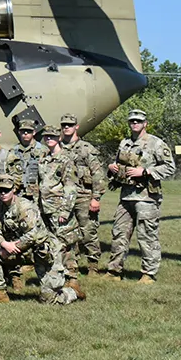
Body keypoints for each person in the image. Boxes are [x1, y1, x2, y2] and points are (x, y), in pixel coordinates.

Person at [0, 175, 83, 305]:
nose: (3, 194)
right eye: (0, 191)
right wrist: (4, 244)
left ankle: (72, 293)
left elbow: (33, 235)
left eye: (6, 190)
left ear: (13, 189)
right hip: (17, 250)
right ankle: (0, 293)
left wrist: (13, 247)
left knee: (49, 300)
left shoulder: (25, 207)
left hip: (42, 252)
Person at [106, 109, 176, 284]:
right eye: (132, 121)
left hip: (146, 197)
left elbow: (170, 167)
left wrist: (145, 171)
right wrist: (112, 168)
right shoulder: (125, 143)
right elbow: (120, 165)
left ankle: (148, 273)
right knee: (119, 233)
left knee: (146, 235)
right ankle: (114, 271)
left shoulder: (156, 143)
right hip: (126, 196)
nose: (135, 123)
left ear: (145, 123)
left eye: (138, 121)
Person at [61, 112, 107, 273]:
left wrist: (96, 198)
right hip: (64, 198)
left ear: (76, 127)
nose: (66, 127)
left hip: (83, 196)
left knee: (88, 231)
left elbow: (98, 175)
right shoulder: (57, 148)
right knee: (67, 231)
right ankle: (70, 265)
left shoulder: (86, 149)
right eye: (64, 125)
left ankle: (93, 265)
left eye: (70, 125)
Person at [36, 124, 80, 279]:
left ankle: (72, 277)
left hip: (59, 208)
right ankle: (56, 273)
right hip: (45, 209)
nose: (49, 139)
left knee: (66, 242)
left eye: (52, 136)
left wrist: (66, 210)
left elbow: (70, 186)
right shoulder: (44, 159)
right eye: (46, 136)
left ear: (59, 138)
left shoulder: (65, 159)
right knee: (51, 242)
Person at [9, 119, 45, 201]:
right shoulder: (13, 152)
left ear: (34, 132)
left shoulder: (43, 150)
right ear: (19, 132)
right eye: (23, 131)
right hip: (18, 194)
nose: (25, 133)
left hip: (37, 196)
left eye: (28, 131)